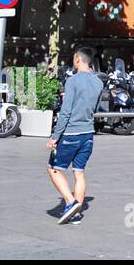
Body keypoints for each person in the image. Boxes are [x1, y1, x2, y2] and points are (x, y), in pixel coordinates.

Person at [47, 48, 102, 225]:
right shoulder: (99, 82)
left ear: (78, 59)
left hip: (71, 132)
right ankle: (76, 213)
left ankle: (70, 203)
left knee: (53, 169)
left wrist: (55, 136)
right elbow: (95, 108)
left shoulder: (72, 81)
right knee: (79, 173)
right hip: (88, 134)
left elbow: (65, 112)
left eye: (74, 58)